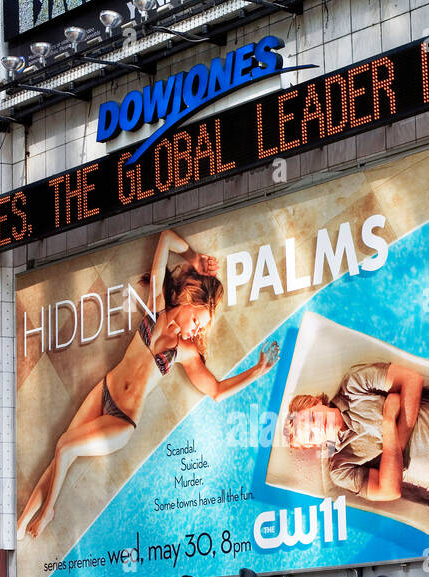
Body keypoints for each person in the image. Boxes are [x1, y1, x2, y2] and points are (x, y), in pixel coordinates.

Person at [17, 228, 280, 539]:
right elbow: (166, 238)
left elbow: (217, 391)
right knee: (58, 457)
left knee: (64, 446)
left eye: (201, 329)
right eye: (197, 321)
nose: (196, 331)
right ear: (187, 299)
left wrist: (258, 370)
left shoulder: (187, 352)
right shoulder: (156, 306)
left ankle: (48, 512)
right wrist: (193, 258)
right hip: (104, 390)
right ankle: (20, 526)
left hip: (122, 420)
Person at [284, 362, 429, 518]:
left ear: (315, 402)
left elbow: (412, 380)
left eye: (311, 417)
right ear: (315, 445)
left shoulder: (353, 385)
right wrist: (389, 426)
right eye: (311, 435)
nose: (317, 426)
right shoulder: (340, 469)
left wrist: (396, 453)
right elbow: (389, 490)